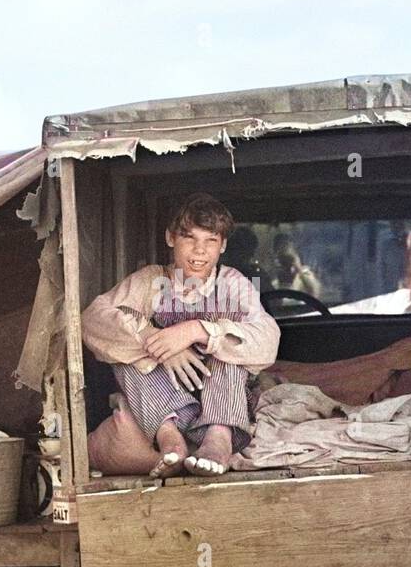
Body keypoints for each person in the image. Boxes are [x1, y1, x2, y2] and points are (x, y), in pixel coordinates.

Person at [82, 193, 280, 476]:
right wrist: (159, 344)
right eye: (189, 238)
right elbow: (91, 320)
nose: (199, 251)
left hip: (219, 397)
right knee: (125, 352)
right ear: (171, 238)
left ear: (222, 245)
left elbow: (268, 341)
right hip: (162, 395)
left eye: (210, 240)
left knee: (230, 345)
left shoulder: (232, 282)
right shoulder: (151, 279)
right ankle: (170, 437)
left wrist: (196, 331)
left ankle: (219, 436)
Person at [271, 232, 321, 299]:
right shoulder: (261, 276)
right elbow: (255, 299)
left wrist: (298, 267)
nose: (285, 266)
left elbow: (315, 293)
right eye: (281, 260)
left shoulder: (304, 276)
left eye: (287, 260)